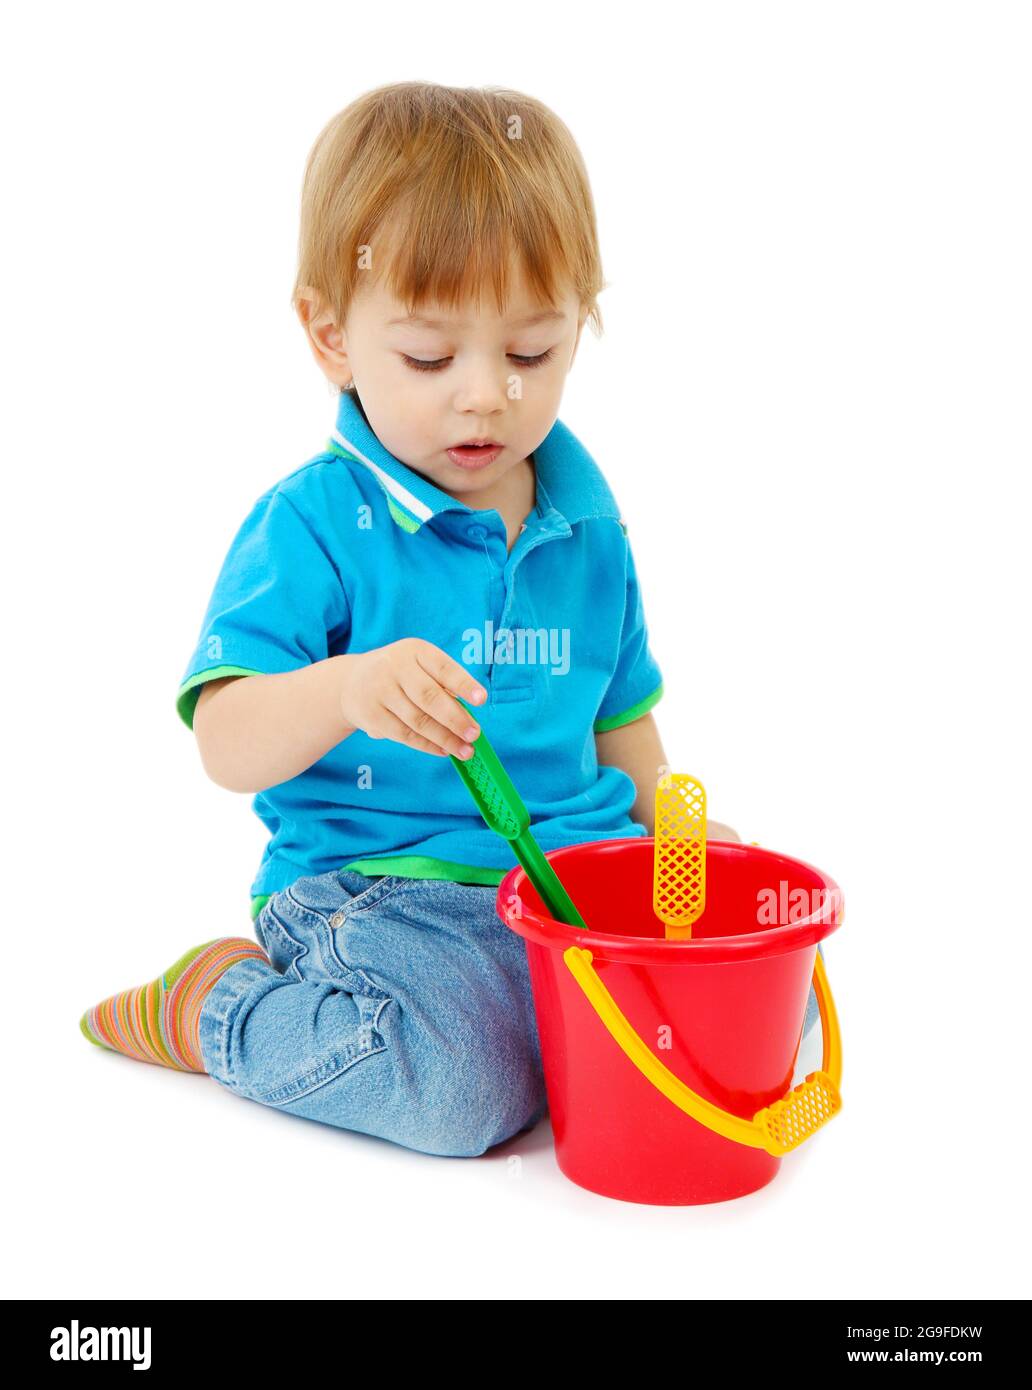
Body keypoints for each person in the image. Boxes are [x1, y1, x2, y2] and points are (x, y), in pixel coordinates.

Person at [79, 82, 769, 1158]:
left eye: (531, 353)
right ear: (331, 335)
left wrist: (671, 857)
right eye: (432, 358)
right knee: (461, 1089)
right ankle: (220, 1009)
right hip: (388, 895)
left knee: (772, 1013)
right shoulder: (312, 523)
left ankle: (542, 1029)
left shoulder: (590, 522)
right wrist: (345, 688)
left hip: (569, 885)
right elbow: (225, 738)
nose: (486, 396)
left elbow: (619, 717)